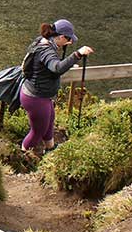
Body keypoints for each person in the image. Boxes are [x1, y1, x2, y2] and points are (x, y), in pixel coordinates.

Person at [19, 19, 94, 154]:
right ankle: (23, 155)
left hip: (39, 94)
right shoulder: (47, 51)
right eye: (68, 39)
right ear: (60, 37)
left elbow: (49, 65)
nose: (70, 43)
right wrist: (77, 54)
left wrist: (68, 63)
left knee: (49, 122)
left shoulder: (42, 41)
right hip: (36, 98)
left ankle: (50, 148)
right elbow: (56, 67)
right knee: (38, 131)